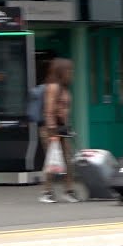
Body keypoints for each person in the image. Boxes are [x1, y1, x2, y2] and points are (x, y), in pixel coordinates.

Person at [39, 58, 80, 203]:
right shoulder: (53, 87)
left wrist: (67, 128)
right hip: (52, 130)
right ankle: (47, 192)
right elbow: (49, 110)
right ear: (61, 71)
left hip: (61, 128)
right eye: (68, 70)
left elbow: (64, 110)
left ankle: (69, 191)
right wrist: (52, 132)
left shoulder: (63, 87)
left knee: (67, 160)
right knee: (53, 160)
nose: (71, 73)